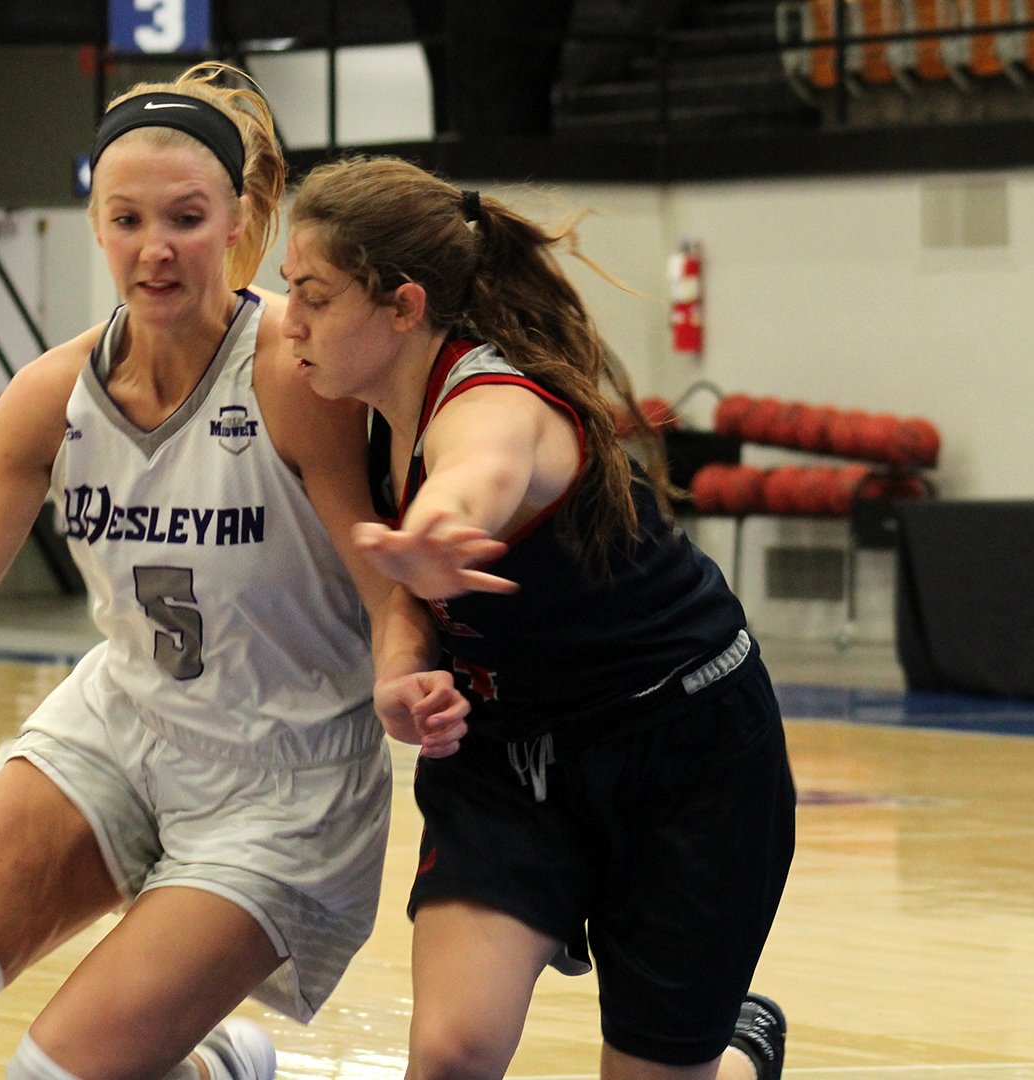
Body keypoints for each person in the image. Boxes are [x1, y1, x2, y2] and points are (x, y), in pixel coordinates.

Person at [0, 68, 452, 1080]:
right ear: (95, 224)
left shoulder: (295, 373)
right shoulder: (49, 397)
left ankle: (216, 1067)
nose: (156, 248)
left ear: (238, 222)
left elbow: (384, 585)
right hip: (121, 726)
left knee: (47, 1075)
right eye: (127, 219)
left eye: (186, 218)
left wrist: (401, 670)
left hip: (284, 779)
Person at [280, 158, 797, 1080]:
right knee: (451, 1054)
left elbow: (482, 471)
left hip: (685, 744)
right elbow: (408, 597)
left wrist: (443, 523)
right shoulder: (368, 416)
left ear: (403, 306)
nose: (290, 322)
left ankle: (741, 1052)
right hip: (508, 754)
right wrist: (400, 671)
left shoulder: (496, 400)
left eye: (314, 297)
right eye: (289, 291)